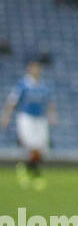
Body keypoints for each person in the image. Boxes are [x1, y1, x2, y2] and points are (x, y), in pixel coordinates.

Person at [1, 60, 57, 190]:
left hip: (40, 119)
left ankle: (24, 167)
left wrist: (53, 115)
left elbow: (50, 103)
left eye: (38, 68)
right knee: (31, 145)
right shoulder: (23, 85)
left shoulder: (43, 86)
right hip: (26, 118)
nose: (36, 71)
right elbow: (12, 102)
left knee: (41, 148)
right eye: (34, 68)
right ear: (29, 70)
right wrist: (6, 117)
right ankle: (36, 174)